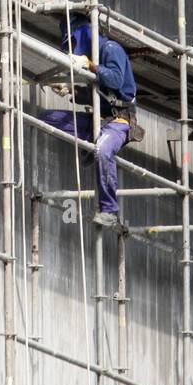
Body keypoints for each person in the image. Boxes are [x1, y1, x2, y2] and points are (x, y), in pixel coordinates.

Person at [41, 13, 141, 228]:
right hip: (98, 119)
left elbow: (114, 80)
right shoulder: (91, 57)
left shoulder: (110, 49)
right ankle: (90, 142)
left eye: (73, 42)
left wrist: (90, 65)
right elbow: (97, 97)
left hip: (119, 122)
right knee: (46, 118)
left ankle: (109, 210)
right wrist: (70, 91)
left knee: (103, 151)